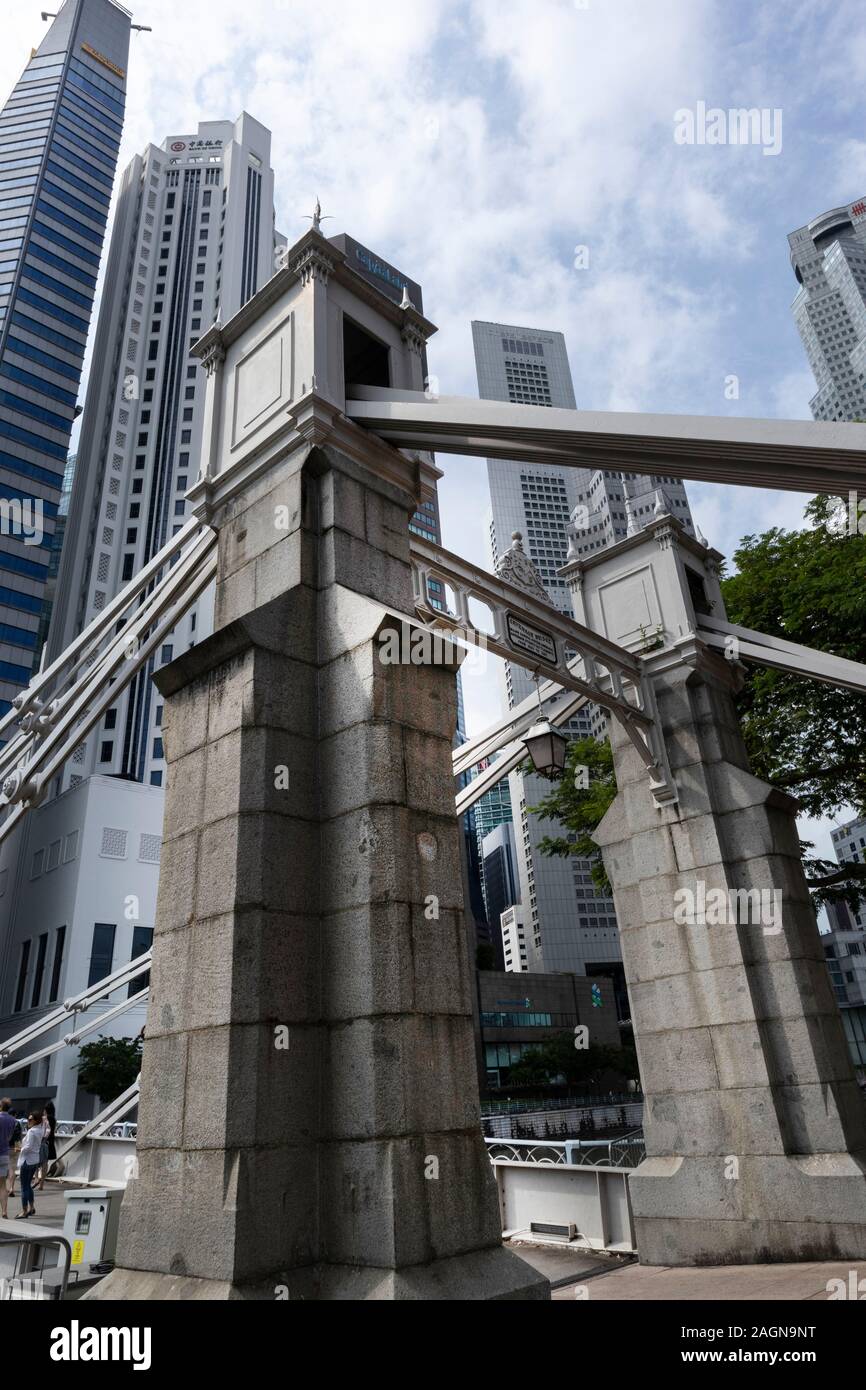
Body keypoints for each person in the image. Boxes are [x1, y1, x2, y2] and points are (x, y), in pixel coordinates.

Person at [15, 1112, 47, 1220]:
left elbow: (28, 1147)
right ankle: (32, 1207)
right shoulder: (40, 1130)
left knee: (24, 1187)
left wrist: (19, 1149)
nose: (28, 1121)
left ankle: (24, 1211)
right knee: (28, 1185)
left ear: (36, 1121)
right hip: (34, 1160)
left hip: (27, 1161)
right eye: (28, 1119)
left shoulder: (32, 1132)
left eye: (30, 1120)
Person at [0, 1098, 19, 1220]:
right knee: (2, 1185)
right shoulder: (13, 1120)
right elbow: (10, 1137)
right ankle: (4, 1211)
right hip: (4, 1154)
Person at [35, 1102, 56, 1192]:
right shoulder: (54, 1119)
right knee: (45, 1163)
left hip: (41, 1142)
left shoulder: (43, 1119)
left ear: (45, 1110)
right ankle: (42, 1183)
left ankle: (36, 1178)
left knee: (36, 1161)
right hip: (50, 1143)